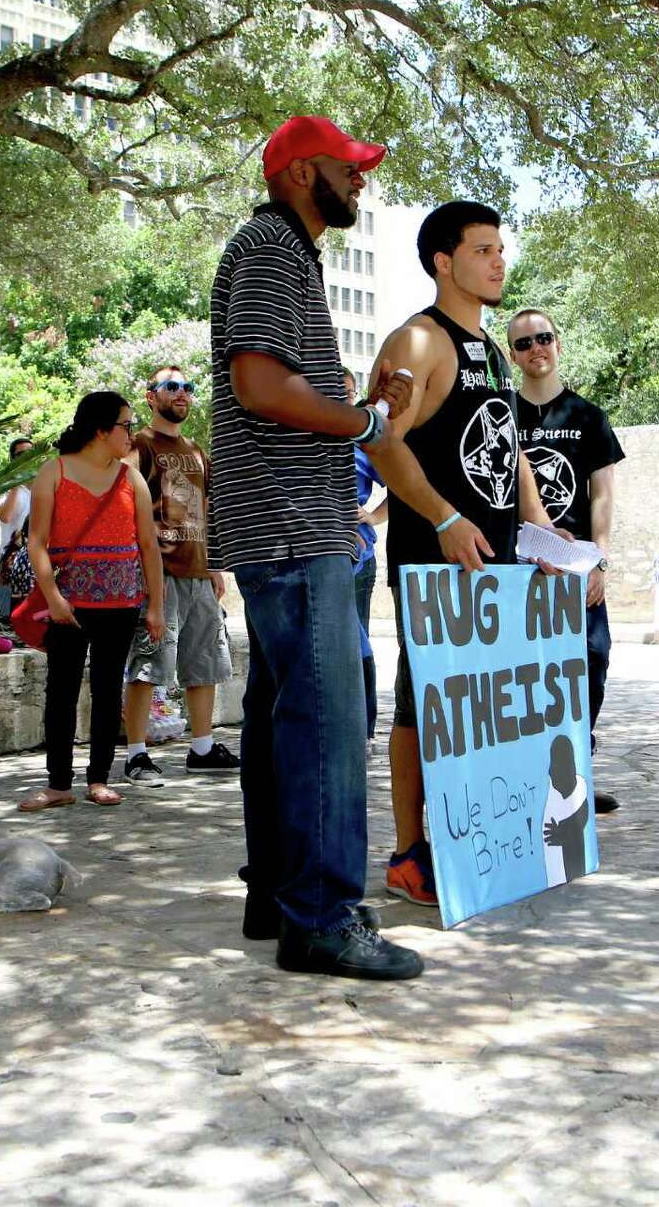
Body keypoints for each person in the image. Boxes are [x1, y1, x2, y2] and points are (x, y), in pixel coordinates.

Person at [209, 115, 421, 980]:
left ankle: (279, 894)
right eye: (349, 167)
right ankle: (324, 917)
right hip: (296, 523)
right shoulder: (270, 246)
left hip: (283, 520)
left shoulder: (282, 254)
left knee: (283, 715)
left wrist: (349, 400)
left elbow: (282, 384)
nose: (360, 181)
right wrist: (367, 419)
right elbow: (259, 385)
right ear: (301, 173)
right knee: (329, 719)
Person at [368, 201, 563, 909]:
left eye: (501, 249)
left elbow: (502, 450)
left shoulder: (486, 348)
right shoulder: (419, 342)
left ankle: (473, 839)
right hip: (433, 559)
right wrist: (445, 517)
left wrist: (541, 533)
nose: (499, 261)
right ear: (442, 262)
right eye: (483, 250)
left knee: (481, 710)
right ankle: (407, 853)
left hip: (494, 564)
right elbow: (377, 437)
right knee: (423, 707)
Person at [17, 392, 163, 811]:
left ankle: (99, 778)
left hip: (121, 604)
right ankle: (58, 783)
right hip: (67, 605)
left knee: (106, 690)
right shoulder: (55, 472)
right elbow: (37, 543)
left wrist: (154, 606)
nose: (130, 434)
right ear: (100, 430)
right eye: (125, 425)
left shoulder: (130, 478)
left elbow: (149, 546)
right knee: (60, 692)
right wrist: (53, 597)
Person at [507, 308, 624, 815]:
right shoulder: (500, 414)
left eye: (544, 338)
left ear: (558, 344)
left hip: (575, 565)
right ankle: (527, 778)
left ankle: (576, 768)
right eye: (523, 343)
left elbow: (602, 496)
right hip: (517, 567)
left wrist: (598, 559)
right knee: (521, 676)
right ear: (512, 355)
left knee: (590, 660)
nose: (536, 348)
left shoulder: (587, 417)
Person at [121, 367, 239, 783]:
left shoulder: (195, 450)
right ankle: (136, 754)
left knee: (204, 663)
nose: (182, 394)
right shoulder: (139, 446)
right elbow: (122, 500)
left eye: (188, 387)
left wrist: (215, 567)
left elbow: (208, 512)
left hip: (198, 573)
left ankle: (202, 747)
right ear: (151, 396)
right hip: (160, 575)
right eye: (172, 387)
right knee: (148, 665)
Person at [342, 368, 390, 737]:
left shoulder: (364, 441)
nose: (341, 398)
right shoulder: (308, 436)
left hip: (359, 557)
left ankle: (365, 725)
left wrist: (372, 516)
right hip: (320, 551)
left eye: (348, 393)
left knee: (357, 635)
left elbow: (402, 485)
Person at [0, 436, 33, 621]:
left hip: (37, 563)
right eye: (20, 455)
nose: (26, 458)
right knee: (9, 618)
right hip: (11, 563)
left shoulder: (44, 489)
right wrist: (15, 481)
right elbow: (5, 515)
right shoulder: (7, 488)